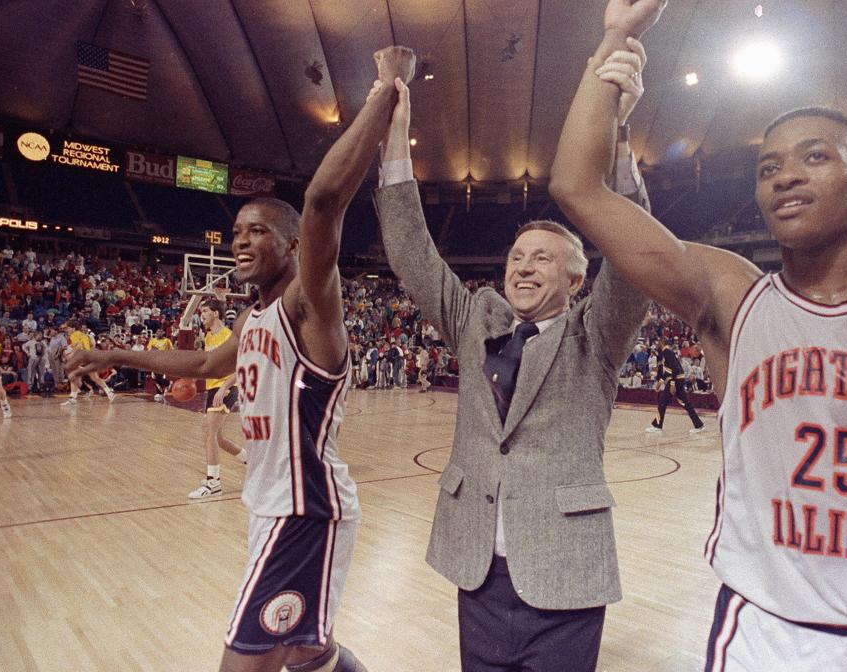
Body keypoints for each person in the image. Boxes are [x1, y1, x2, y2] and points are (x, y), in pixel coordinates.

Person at [549, 3, 847, 668]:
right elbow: (576, 188)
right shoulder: (729, 296)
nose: (785, 176)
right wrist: (615, 41)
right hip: (756, 631)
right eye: (767, 168)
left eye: (813, 157)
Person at [67, 45, 416, 672]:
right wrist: (112, 352)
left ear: (291, 245)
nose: (241, 242)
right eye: (235, 234)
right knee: (308, 651)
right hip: (269, 505)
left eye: (257, 231)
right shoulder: (251, 318)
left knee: (246, 660)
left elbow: (322, 203)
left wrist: (385, 91)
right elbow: (202, 368)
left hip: (304, 511)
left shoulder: (309, 307)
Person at [372, 43, 650, 670]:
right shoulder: (474, 321)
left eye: (543, 257)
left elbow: (634, 260)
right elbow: (413, 253)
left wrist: (619, 131)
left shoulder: (595, 336)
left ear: (577, 280)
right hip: (479, 571)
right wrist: (395, 129)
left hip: (563, 570)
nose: (524, 266)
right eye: (517, 257)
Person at [189, 297, 247, 499]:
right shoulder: (208, 338)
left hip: (228, 387)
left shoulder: (228, 336)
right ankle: (251, 461)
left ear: (215, 313)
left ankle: (213, 482)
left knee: (208, 431)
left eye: (204, 311)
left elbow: (241, 366)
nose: (201, 315)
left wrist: (224, 388)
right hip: (213, 388)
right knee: (218, 438)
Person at [647, 341, 705, 434]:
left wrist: (673, 384)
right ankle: (698, 424)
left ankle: (657, 426)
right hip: (678, 380)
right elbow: (668, 371)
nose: (657, 345)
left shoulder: (666, 352)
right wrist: (660, 382)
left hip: (675, 381)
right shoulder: (668, 352)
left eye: (658, 343)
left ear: (662, 343)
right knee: (686, 403)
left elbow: (675, 368)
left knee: (662, 402)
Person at [60, 321, 115, 405]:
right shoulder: (83, 335)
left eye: (68, 328)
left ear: (73, 328)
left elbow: (78, 346)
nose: (67, 330)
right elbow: (92, 345)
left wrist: (70, 355)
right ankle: (110, 393)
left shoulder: (74, 335)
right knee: (94, 378)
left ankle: (73, 398)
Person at [147, 328, 175, 401]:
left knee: (158, 375)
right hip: (154, 360)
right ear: (156, 333)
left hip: (163, 360)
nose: (159, 333)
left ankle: (159, 393)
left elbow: (172, 350)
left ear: (163, 333)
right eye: (158, 332)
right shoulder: (152, 340)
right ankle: (167, 383)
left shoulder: (167, 341)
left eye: (160, 332)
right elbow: (149, 349)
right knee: (154, 377)